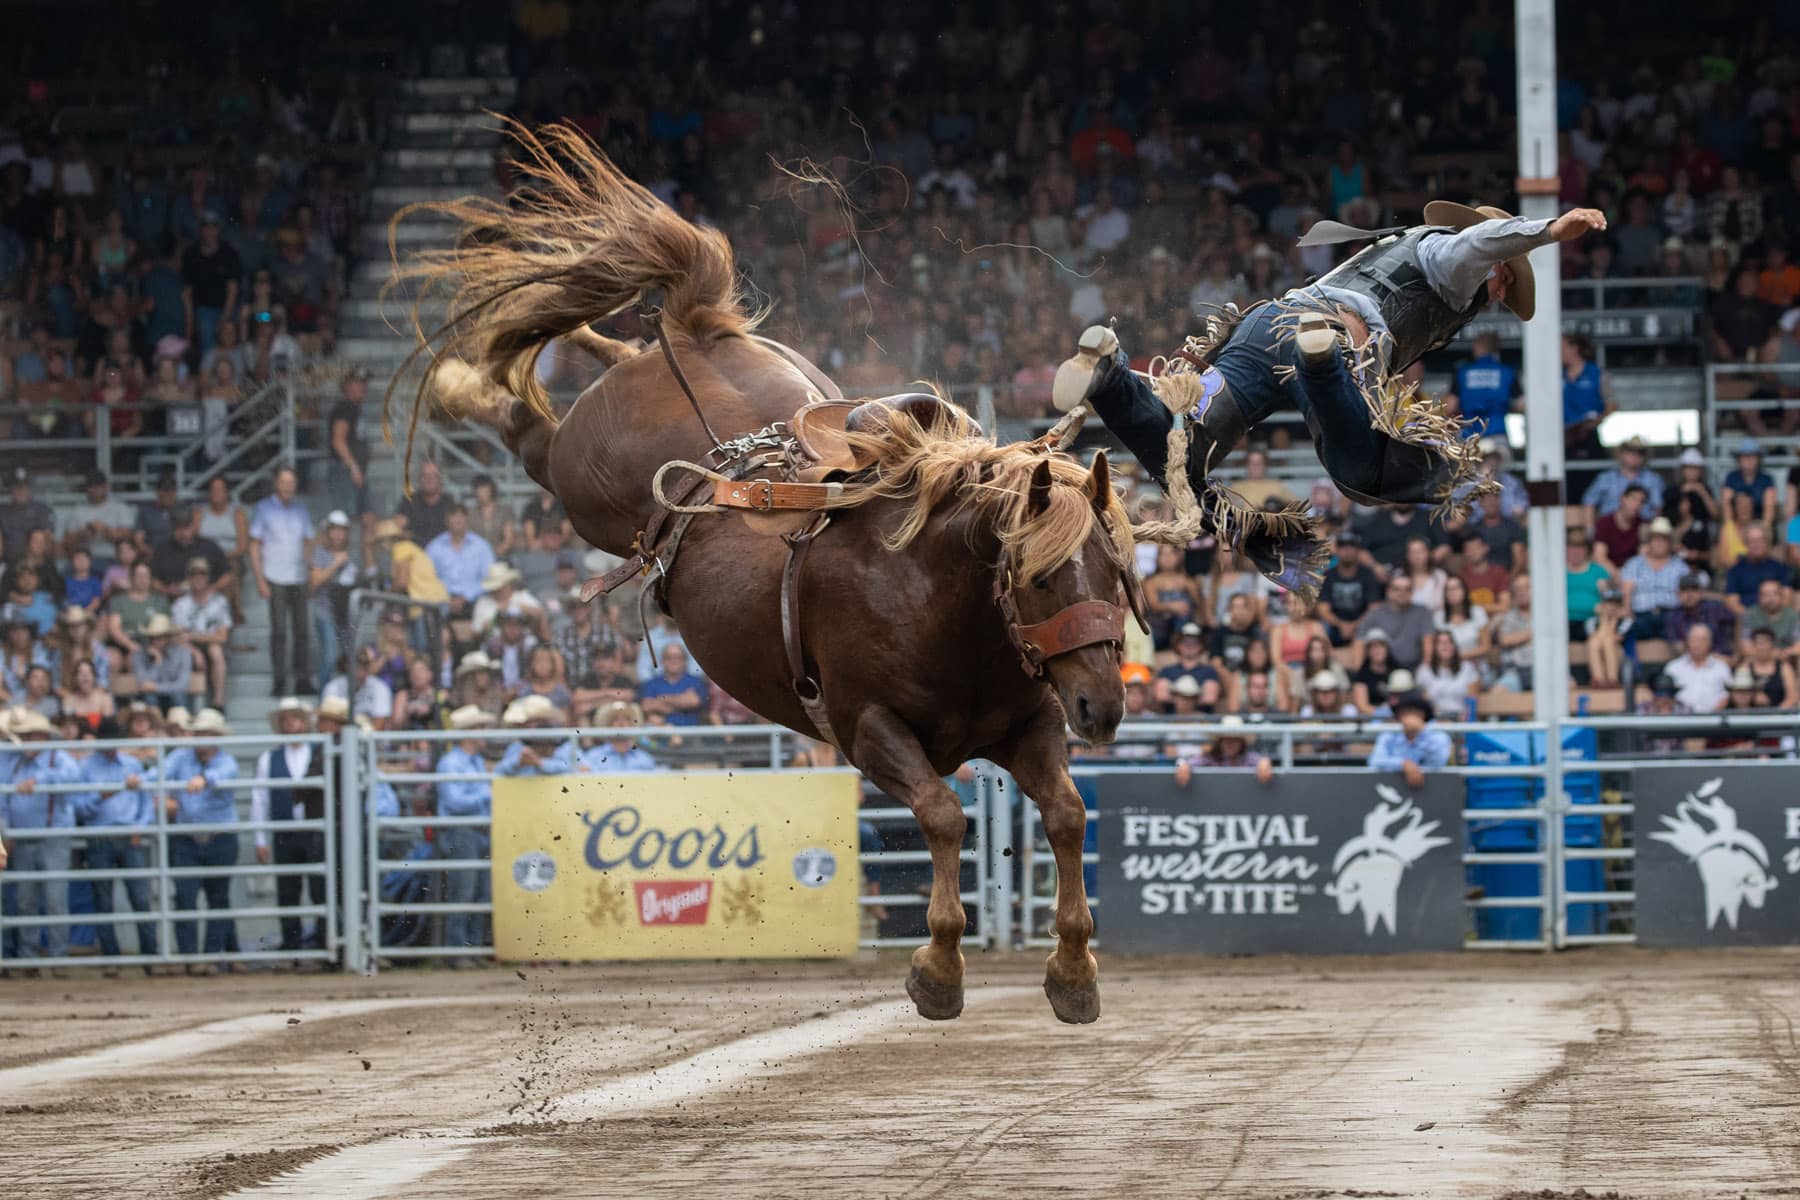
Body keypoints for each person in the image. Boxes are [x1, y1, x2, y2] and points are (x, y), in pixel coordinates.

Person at [1053, 205, 1610, 593]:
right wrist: (1549, 230)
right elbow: (1478, 242)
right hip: (1330, 336)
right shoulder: (1451, 258)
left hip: (1266, 326)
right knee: (1359, 470)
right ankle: (1319, 363)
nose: (1501, 292)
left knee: (1182, 453)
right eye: (1506, 280)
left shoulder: (1399, 246)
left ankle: (1111, 376)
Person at [74, 718, 159, 969]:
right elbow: (79, 807)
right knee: (104, 901)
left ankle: (151, 957)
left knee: (140, 898)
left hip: (128, 835)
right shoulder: (86, 767)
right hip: (100, 836)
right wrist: (101, 796)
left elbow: (146, 801)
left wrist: (139, 827)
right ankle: (112, 958)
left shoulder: (131, 764)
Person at [1, 708, 82, 970]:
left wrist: (40, 779)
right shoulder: (15, 762)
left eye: (31, 735)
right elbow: (3, 799)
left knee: (54, 898)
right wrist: (6, 830)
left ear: (44, 736)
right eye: (23, 736)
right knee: (26, 901)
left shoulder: (59, 758)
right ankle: (29, 956)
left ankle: (58, 956)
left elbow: (73, 777)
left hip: (52, 837)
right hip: (21, 837)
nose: (26, 741)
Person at [161, 708, 240, 968]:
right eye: (197, 733)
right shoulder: (180, 757)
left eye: (205, 733)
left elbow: (225, 773)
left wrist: (205, 779)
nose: (200, 738)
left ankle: (210, 957)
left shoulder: (226, 761)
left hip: (220, 836)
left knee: (218, 897)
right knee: (185, 897)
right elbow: (159, 773)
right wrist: (140, 780)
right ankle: (191, 957)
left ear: (216, 736)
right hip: (187, 835)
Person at [250, 697, 328, 955]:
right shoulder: (268, 758)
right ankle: (292, 946)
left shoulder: (319, 751)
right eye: (286, 720)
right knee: (288, 892)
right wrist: (260, 838)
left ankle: (321, 942)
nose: (291, 724)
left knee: (319, 889)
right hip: (285, 831)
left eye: (296, 718)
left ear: (304, 722)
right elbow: (260, 799)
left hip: (314, 829)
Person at [436, 705, 496, 962]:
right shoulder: (451, 763)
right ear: (468, 732)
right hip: (460, 830)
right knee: (464, 891)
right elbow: (454, 801)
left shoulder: (475, 762)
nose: (484, 732)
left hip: (477, 829)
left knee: (481, 891)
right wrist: (487, 793)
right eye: (480, 728)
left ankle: (472, 949)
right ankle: (459, 951)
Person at [249, 467, 314, 696]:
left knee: (302, 631)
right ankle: (279, 681)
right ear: (276, 483)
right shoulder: (263, 508)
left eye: (291, 482)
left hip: (299, 577)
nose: (288, 486)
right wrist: (260, 580)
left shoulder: (301, 510)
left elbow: (309, 542)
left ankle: (302, 680)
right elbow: (254, 546)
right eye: (284, 481)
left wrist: (311, 573)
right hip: (274, 576)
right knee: (279, 632)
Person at [171, 558, 232, 709]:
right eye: (194, 574)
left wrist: (193, 636)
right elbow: (177, 636)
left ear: (208, 577)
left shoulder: (219, 601)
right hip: (188, 647)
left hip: (212, 644)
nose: (198, 578)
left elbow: (222, 637)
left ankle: (218, 702)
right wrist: (195, 652)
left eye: (202, 574)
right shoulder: (181, 604)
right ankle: (188, 706)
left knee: (215, 650)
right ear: (188, 578)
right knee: (184, 652)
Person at [308, 511, 358, 695]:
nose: (338, 534)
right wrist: (336, 563)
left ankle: (345, 700)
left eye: (342, 530)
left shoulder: (352, 555)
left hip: (347, 614)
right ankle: (324, 698)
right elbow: (314, 583)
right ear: (328, 532)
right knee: (330, 658)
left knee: (348, 659)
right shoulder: (320, 554)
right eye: (334, 530)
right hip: (326, 611)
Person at [1367, 691, 1452, 789]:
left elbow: (1438, 762)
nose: (1409, 717)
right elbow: (1375, 761)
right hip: (1394, 790)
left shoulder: (1438, 735)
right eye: (1405, 712)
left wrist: (1422, 731)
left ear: (1423, 714)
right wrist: (1403, 764)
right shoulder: (1389, 735)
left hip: (1434, 791)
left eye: (1414, 712)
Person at [1619, 518, 1686, 640]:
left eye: (1664, 539)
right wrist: (1628, 615)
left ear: (1670, 543)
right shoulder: (1633, 564)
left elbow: (1685, 595)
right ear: (1649, 541)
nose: (1659, 543)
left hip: (1670, 615)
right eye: (1655, 538)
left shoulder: (1680, 567)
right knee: (1626, 631)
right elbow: (1626, 593)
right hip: (1641, 616)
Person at [425, 504, 496, 618]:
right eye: (452, 519)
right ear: (446, 522)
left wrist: (466, 597)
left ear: (466, 519)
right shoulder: (434, 547)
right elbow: (427, 578)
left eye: (459, 519)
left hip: (474, 600)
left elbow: (489, 579)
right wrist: (445, 598)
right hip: (442, 601)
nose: (456, 522)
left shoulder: (482, 547)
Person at [1446, 331, 1519, 438]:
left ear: (1478, 348)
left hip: (1469, 434)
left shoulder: (1463, 372)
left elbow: (1450, 407)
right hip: (1497, 432)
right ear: (1496, 349)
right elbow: (1521, 404)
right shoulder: (1507, 372)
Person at [1355, 574, 1432, 669]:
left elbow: (1428, 642)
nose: (1402, 593)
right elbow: (1359, 641)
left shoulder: (1422, 612)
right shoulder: (1375, 614)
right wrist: (1358, 671)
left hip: (1414, 668)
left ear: (1412, 593)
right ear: (1388, 592)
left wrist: (1425, 669)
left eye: (1407, 589)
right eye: (1397, 589)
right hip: (1383, 669)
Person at [1580, 437, 1664, 522]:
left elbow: (1657, 508)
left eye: (1640, 452)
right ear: (1621, 453)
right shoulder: (1605, 478)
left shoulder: (1654, 479)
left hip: (1642, 527)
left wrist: (1654, 528)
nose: (1635, 455)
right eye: (1630, 450)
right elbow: (1589, 503)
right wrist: (1591, 529)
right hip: (1609, 527)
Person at [1319, 531, 1381, 646]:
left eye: (1351, 546)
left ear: (1357, 550)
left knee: (1376, 629)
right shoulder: (1328, 576)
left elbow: (1374, 608)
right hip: (1335, 625)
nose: (1347, 550)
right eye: (1343, 546)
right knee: (1321, 627)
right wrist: (1341, 625)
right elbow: (1323, 610)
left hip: (1362, 623)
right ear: (1337, 550)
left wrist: (1354, 625)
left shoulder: (1368, 574)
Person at [1173, 715, 1274, 786]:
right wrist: (1183, 766)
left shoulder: (1248, 757)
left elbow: (1263, 761)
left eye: (1235, 739)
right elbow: (1185, 763)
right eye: (1226, 739)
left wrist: (1264, 762)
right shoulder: (1211, 758)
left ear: (1241, 742)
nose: (1230, 743)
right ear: (1220, 741)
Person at [1560, 333, 1615, 459]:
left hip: (1589, 435)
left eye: (1562, 348)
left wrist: (1595, 422)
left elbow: (1612, 404)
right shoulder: (1556, 375)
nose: (1558, 352)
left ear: (1574, 348)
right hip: (1563, 436)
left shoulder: (1597, 373)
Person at [131, 613, 195, 711]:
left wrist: (157, 687)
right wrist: (157, 662)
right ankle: (156, 719)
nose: (154, 641)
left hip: (173, 695)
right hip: (151, 698)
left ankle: (177, 719)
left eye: (159, 637)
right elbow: (143, 683)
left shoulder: (183, 653)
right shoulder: (139, 654)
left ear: (168, 637)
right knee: (149, 697)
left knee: (178, 696)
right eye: (152, 637)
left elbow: (182, 684)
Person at [1662, 624, 1732, 713]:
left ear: (1710, 643)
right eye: (1694, 639)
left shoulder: (1721, 668)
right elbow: (1664, 697)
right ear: (1687, 642)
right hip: (1679, 718)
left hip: (1714, 718)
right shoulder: (1673, 668)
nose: (1698, 644)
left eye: (1703, 640)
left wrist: (1712, 715)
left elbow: (1728, 695)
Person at [1154, 622, 1223, 711]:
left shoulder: (1209, 672)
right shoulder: (1167, 671)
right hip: (1172, 717)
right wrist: (1187, 698)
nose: (1190, 645)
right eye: (1185, 641)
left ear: (1201, 645)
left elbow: (1210, 699)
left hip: (1200, 717)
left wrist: (1184, 699)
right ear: (1178, 644)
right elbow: (1161, 696)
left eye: (1195, 641)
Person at [637, 644, 709, 727]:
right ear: (662, 661)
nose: (674, 661)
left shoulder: (695, 681)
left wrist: (662, 699)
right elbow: (646, 706)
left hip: (690, 732)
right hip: (662, 732)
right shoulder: (652, 683)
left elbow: (694, 701)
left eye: (678, 657)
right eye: (669, 657)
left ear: (685, 660)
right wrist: (682, 700)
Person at [578, 701, 661, 772]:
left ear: (632, 725)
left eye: (626, 719)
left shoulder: (644, 758)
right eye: (615, 719)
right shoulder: (592, 757)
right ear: (608, 725)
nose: (621, 723)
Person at [1723, 523, 1786, 616]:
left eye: (1760, 540)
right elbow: (1732, 603)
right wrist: (1753, 618)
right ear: (1745, 544)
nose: (1756, 544)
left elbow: (1786, 598)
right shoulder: (1735, 571)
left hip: (1776, 618)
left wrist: (1772, 618)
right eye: (1752, 541)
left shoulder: (1779, 568)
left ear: (1767, 542)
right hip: (1746, 618)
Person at [323, 646, 396, 725]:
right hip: (340, 732)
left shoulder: (380, 688)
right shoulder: (333, 687)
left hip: (369, 732)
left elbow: (379, 724)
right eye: (357, 668)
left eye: (365, 667)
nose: (361, 673)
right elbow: (327, 723)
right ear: (347, 667)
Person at [1418, 629, 1481, 717]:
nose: (1445, 646)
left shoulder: (1467, 668)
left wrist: (1465, 716)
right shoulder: (1424, 670)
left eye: (1449, 642)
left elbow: (1472, 699)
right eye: (1441, 643)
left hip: (1461, 719)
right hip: (1435, 719)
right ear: (1434, 647)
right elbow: (1423, 700)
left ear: (1454, 646)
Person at [1664, 574, 1736, 650]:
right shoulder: (1673, 615)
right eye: (1684, 590)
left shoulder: (1714, 608)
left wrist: (1737, 650)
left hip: (1720, 655)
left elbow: (1736, 618)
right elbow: (1676, 645)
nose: (1689, 594)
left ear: (1701, 592)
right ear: (1678, 593)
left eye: (1694, 589)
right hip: (1690, 656)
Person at [1721, 437, 1779, 530]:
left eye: (1753, 456)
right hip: (1737, 527)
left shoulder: (1766, 480)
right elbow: (1727, 507)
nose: (1749, 460)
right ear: (1739, 459)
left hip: (1760, 527)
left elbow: (1769, 509)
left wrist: (1763, 530)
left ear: (1759, 459)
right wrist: (1730, 530)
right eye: (1745, 456)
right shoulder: (1731, 478)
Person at [1591, 484, 1647, 569]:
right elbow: (1599, 557)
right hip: (1608, 572)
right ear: (1622, 498)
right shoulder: (1604, 523)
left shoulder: (1643, 525)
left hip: (1633, 572)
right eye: (1634, 499)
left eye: (1641, 501)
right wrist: (1617, 574)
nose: (1637, 504)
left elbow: (1644, 558)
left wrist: (1628, 574)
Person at [397, 460, 452, 546]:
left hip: (443, 551)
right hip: (415, 551)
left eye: (433, 476)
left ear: (440, 479)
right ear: (419, 479)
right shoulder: (409, 501)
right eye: (424, 475)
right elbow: (398, 529)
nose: (428, 479)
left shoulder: (450, 503)